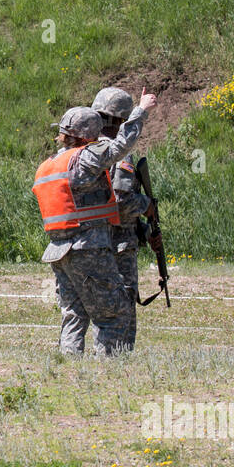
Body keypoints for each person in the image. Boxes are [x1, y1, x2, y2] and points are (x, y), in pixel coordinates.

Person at [32, 91, 156, 356]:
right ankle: (111, 372)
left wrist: (142, 230)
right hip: (88, 247)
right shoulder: (86, 159)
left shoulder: (49, 165)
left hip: (58, 250)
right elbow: (120, 148)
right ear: (88, 135)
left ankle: (69, 369)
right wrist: (141, 112)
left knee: (74, 313)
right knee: (114, 313)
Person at [92, 86, 153, 351]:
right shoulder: (118, 153)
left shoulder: (88, 150)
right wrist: (148, 205)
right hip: (118, 244)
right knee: (123, 304)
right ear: (122, 120)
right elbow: (123, 202)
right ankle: (119, 358)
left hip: (93, 241)